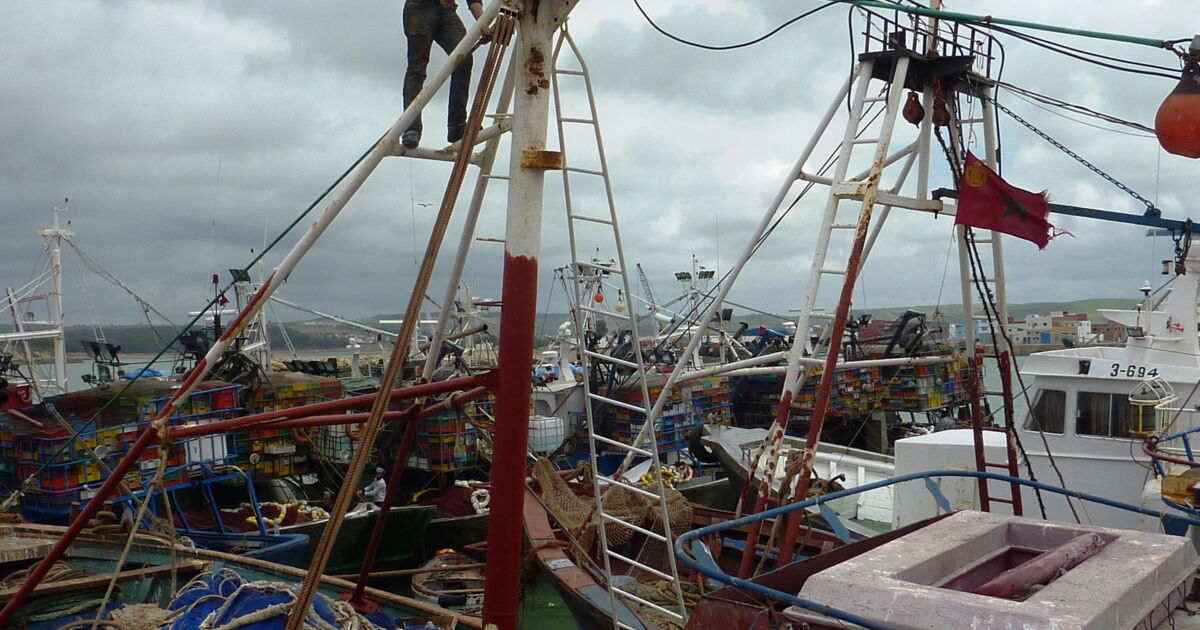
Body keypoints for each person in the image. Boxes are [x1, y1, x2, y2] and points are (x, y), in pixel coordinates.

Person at [400, 0, 485, 149]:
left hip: (446, 13)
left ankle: (457, 126)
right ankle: (411, 128)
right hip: (418, 8)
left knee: (463, 58)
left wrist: (484, 25)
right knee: (417, 69)